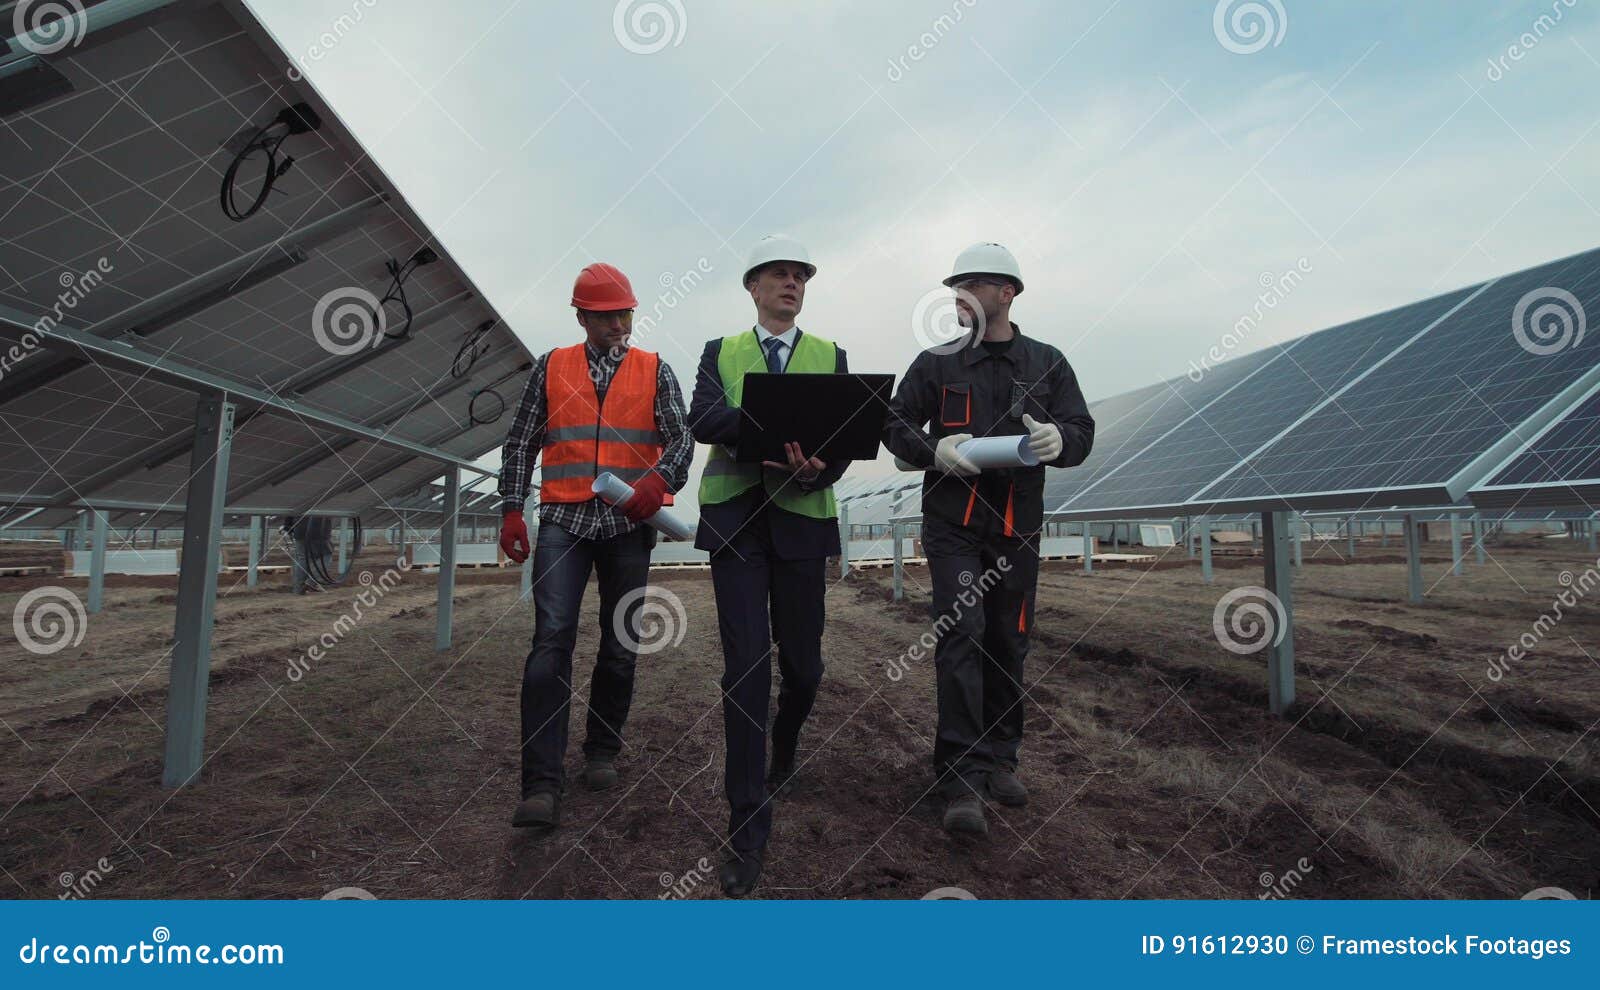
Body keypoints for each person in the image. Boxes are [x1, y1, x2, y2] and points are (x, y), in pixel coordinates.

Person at [882, 242, 1094, 836]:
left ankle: (1002, 757)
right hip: (952, 527)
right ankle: (960, 776)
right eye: (956, 285)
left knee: (1008, 639)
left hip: (1016, 528)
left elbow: (1081, 429)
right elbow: (893, 423)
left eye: (973, 284)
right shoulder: (936, 363)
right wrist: (932, 450)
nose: (960, 296)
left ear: (1007, 293)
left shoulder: (1047, 363)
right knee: (961, 637)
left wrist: (1061, 440)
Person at [497, 262, 693, 831]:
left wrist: (658, 485)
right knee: (551, 639)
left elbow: (682, 437)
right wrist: (513, 507)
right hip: (563, 518)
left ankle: (602, 750)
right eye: (606, 315)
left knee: (620, 640)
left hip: (628, 525)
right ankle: (540, 783)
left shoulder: (654, 369)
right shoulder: (551, 367)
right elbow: (521, 441)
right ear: (582, 316)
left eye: (625, 313)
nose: (618, 323)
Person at [689, 234, 851, 896]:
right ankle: (747, 825)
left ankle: (784, 744)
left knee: (804, 669)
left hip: (802, 522)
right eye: (779, 275)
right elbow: (702, 416)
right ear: (753, 287)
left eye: (799, 276)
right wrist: (764, 433)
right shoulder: (718, 352)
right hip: (736, 523)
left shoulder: (829, 354)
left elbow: (844, 430)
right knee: (746, 669)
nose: (792, 284)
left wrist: (821, 467)